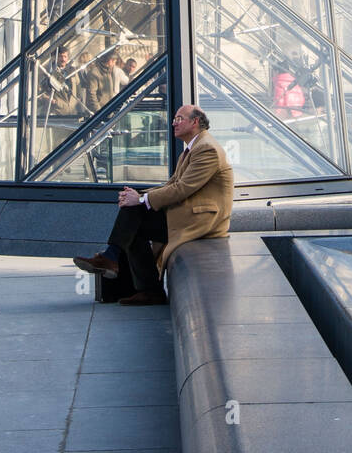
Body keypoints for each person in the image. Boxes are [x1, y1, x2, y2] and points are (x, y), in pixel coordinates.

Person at [73, 105, 233, 305]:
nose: (174, 122)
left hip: (202, 221)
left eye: (180, 118)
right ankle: (127, 273)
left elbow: (183, 188)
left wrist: (140, 200)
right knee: (133, 214)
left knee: (135, 215)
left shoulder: (206, 149)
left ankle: (121, 266)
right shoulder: (193, 148)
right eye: (174, 118)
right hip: (189, 214)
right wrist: (138, 196)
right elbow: (172, 185)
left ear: (195, 122)